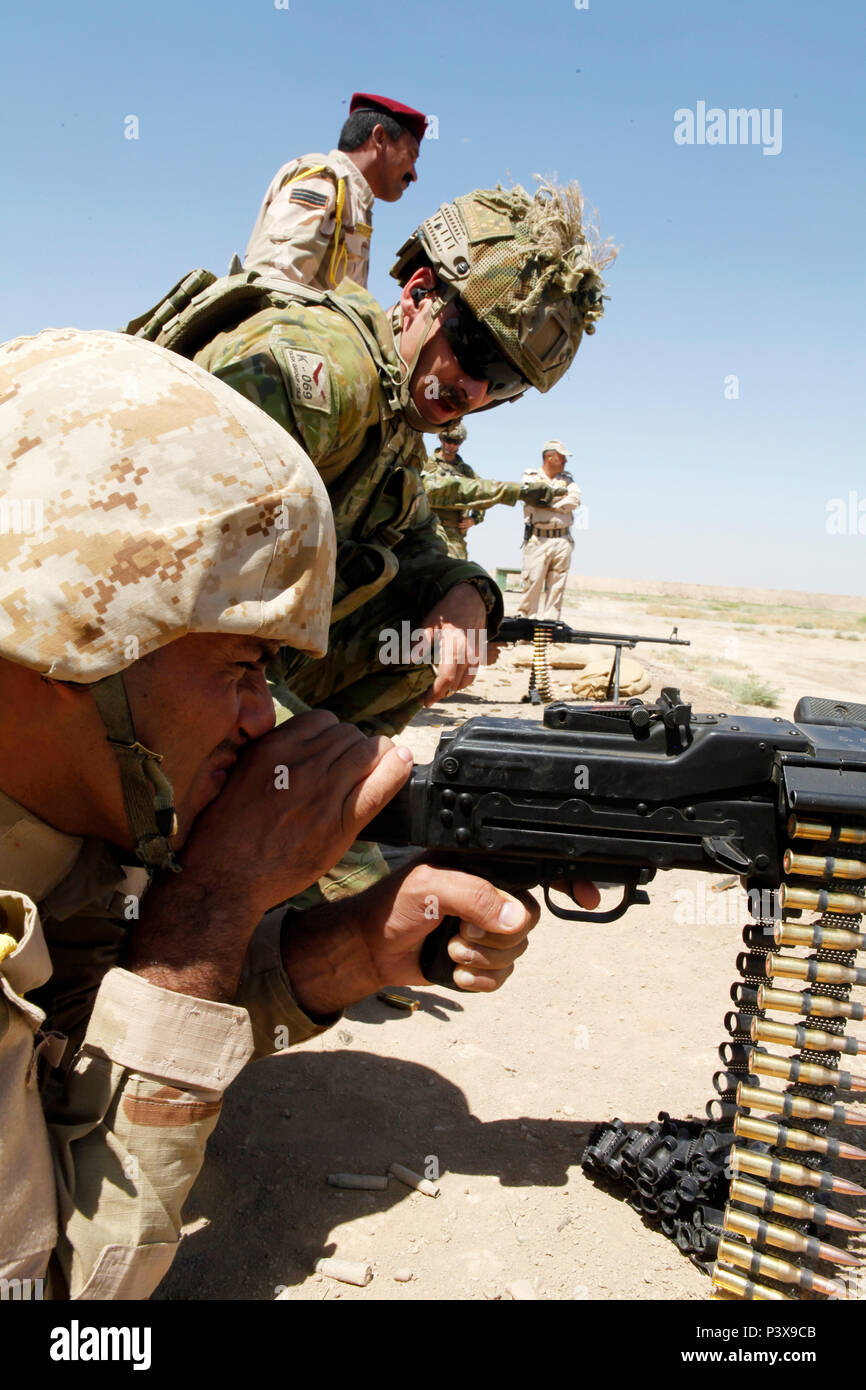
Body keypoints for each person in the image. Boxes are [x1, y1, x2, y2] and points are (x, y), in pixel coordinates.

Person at [0, 328, 570, 1300]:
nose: (264, 716)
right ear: (72, 636)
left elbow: (81, 1028)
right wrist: (211, 907)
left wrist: (354, 948)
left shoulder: (67, 812)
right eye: (240, 665)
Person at [134, 178, 614, 741]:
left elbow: (411, 533)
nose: (478, 392)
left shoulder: (397, 412)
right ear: (417, 294)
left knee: (419, 639)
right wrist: (312, 765)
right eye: (476, 351)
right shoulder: (325, 377)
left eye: (507, 383)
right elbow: (168, 591)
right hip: (138, 661)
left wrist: (465, 591)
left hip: (222, 666)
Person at [243, 92, 427, 291]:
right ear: (379, 137)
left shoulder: (354, 201)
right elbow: (269, 286)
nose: (414, 174)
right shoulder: (326, 180)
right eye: (411, 156)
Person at [421, 421, 555, 560]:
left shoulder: (466, 470)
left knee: (457, 571)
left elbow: (482, 493)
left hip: (454, 530)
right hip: (428, 526)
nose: (451, 445)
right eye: (448, 440)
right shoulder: (427, 464)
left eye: (456, 442)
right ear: (441, 439)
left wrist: (474, 519)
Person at [517, 440, 583, 621]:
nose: (565, 461)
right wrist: (557, 499)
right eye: (562, 457)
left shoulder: (568, 480)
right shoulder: (530, 476)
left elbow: (574, 501)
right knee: (532, 584)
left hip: (562, 540)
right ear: (549, 457)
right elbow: (533, 498)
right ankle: (526, 628)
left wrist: (548, 502)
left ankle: (548, 631)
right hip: (538, 539)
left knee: (557, 588)